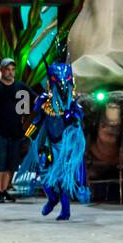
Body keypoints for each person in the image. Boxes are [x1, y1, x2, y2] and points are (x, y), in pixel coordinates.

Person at [22, 63, 89, 220]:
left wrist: (74, 117)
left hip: (66, 147)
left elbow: (78, 122)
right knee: (44, 175)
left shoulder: (72, 104)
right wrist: (28, 135)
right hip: (49, 145)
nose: (62, 86)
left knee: (64, 178)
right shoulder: (46, 102)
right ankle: (52, 199)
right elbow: (36, 122)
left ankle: (65, 211)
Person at [0, 59, 33, 202]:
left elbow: (35, 100)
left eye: (12, 69)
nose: (10, 72)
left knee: (12, 162)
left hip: (16, 132)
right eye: (7, 69)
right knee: (0, 161)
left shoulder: (20, 86)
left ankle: (4, 190)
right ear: (2, 70)